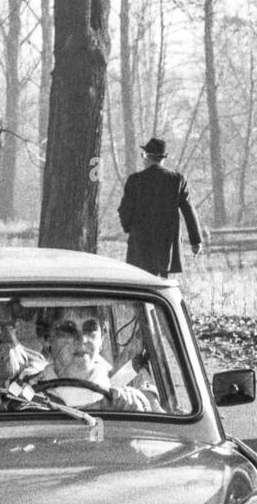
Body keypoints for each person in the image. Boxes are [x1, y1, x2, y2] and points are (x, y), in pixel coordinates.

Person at [32, 309, 154, 412]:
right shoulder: (28, 395)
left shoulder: (126, 395)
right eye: (68, 330)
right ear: (46, 339)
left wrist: (138, 405)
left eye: (90, 328)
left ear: (102, 337)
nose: (81, 339)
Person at [118, 137, 203, 277]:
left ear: (146, 156)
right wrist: (196, 241)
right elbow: (188, 211)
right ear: (163, 158)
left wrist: (128, 228)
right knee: (162, 286)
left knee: (141, 285)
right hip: (166, 245)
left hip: (140, 245)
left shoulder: (135, 180)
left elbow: (125, 210)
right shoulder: (177, 180)